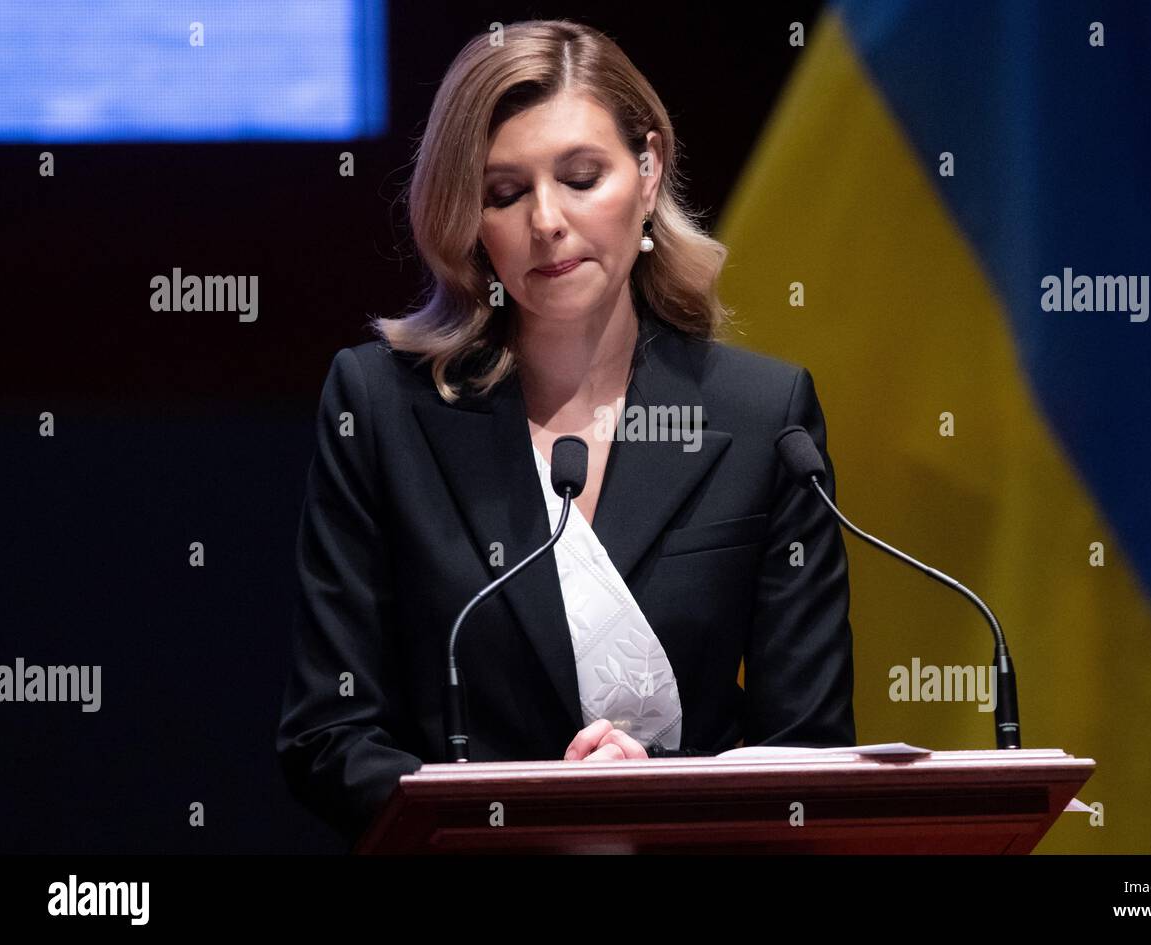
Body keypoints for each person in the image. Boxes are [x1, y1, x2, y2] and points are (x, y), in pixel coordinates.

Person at [276, 18, 855, 847]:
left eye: (582, 177)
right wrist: (529, 811)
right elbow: (327, 739)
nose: (547, 219)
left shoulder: (765, 416)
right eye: (505, 192)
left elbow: (810, 749)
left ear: (648, 169)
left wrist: (651, 790)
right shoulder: (377, 407)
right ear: (465, 217)